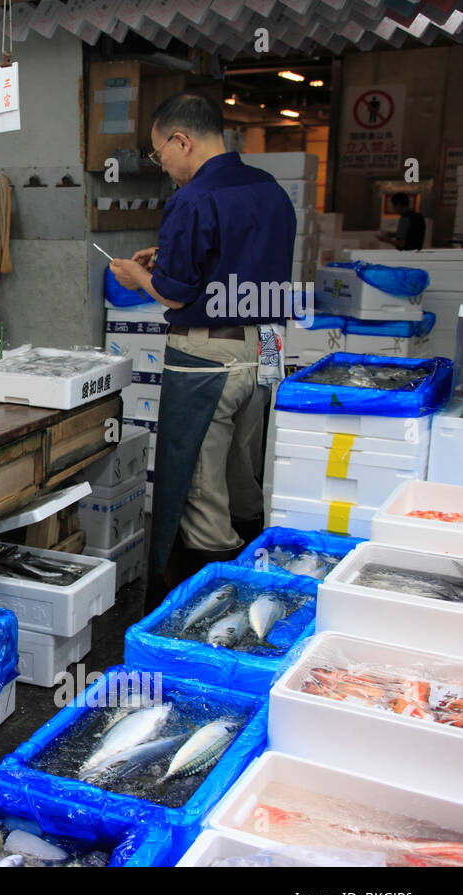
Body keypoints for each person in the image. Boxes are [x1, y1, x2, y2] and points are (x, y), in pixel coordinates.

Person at [108, 93, 296, 607]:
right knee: (244, 475)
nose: (161, 165)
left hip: (207, 358)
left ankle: (214, 610)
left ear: (181, 140)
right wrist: (165, 257)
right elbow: (240, 262)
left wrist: (139, 275)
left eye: (158, 153)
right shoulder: (271, 190)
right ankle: (262, 578)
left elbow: (175, 293)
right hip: (265, 348)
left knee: (197, 487)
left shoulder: (192, 199)